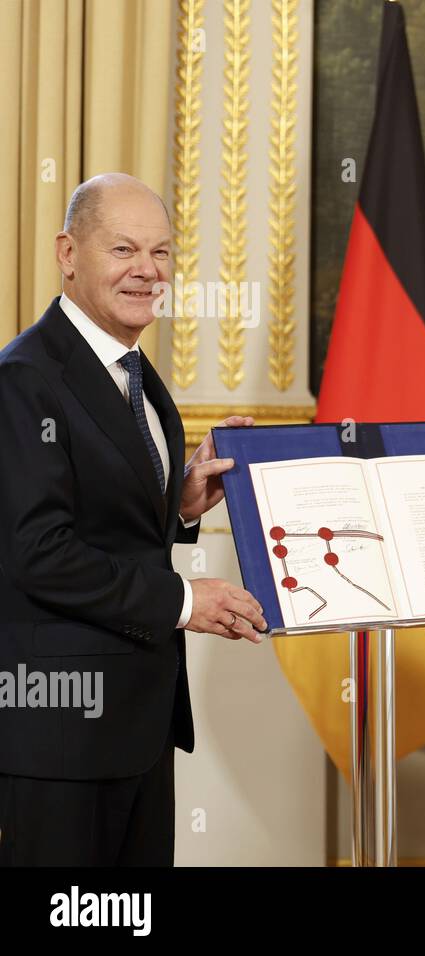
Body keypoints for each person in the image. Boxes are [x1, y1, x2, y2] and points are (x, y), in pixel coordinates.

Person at [0, 173, 268, 866]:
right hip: (60, 734)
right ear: (68, 252)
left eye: (162, 252)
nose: (147, 271)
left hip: (138, 726)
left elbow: (101, 517)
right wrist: (185, 600)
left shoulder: (137, 375)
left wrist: (178, 505)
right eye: (123, 249)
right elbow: (38, 552)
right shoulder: (24, 379)